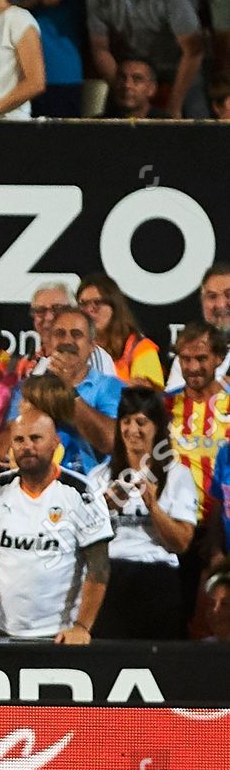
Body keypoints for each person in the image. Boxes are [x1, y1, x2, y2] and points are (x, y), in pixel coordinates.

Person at [0, 410, 112, 644]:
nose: (27, 446)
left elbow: (99, 566)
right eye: (19, 440)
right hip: (1, 633)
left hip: (60, 637)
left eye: (36, 438)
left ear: (55, 442)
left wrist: (82, 626)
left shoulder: (82, 493)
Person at [89, 387, 197, 640]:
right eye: (126, 422)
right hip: (109, 576)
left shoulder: (177, 476)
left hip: (157, 576)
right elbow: (80, 541)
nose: (132, 430)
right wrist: (105, 510)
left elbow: (181, 543)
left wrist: (153, 506)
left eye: (141, 422)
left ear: (157, 427)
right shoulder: (99, 477)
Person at [2, 308, 121, 475]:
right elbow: (4, 450)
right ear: (48, 343)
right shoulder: (27, 388)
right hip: (38, 491)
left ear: (92, 345)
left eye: (77, 334)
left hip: (91, 491)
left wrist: (68, 392)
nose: (67, 341)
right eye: (59, 333)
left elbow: (111, 443)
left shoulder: (110, 387)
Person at [87, 0, 204, 118]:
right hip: (132, 65)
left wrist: (174, 107)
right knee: (111, 118)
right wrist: (123, 88)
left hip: (177, 64)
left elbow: (193, 49)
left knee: (197, 117)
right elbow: (100, 49)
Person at [162, 323, 230, 518]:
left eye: (201, 359)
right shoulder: (164, 406)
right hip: (176, 524)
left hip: (223, 525)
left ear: (219, 358)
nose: (193, 367)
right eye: (185, 359)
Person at [76, 274, 163, 388]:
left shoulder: (141, 348)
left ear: (114, 307)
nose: (89, 310)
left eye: (97, 303)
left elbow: (148, 398)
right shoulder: (76, 347)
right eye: (83, 304)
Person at [165, 264, 230, 391]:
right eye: (212, 296)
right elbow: (175, 406)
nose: (221, 304)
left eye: (229, 295)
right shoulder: (191, 348)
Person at [102, 56, 170, 118]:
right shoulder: (97, 124)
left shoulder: (166, 125)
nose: (127, 85)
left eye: (137, 79)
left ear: (151, 89)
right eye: (122, 78)